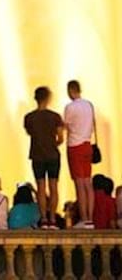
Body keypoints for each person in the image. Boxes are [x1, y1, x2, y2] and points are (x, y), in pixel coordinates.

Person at [24, 85, 64, 228]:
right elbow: (61, 137)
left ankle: (44, 219)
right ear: (47, 98)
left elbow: (30, 133)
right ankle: (53, 219)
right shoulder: (55, 117)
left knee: (40, 187)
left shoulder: (29, 117)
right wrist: (53, 144)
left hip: (37, 155)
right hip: (53, 155)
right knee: (53, 187)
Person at [64, 80, 96, 228]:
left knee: (79, 184)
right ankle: (90, 218)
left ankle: (84, 219)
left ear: (71, 90)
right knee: (88, 183)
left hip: (75, 146)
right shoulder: (89, 105)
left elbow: (66, 126)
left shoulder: (70, 107)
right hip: (87, 145)